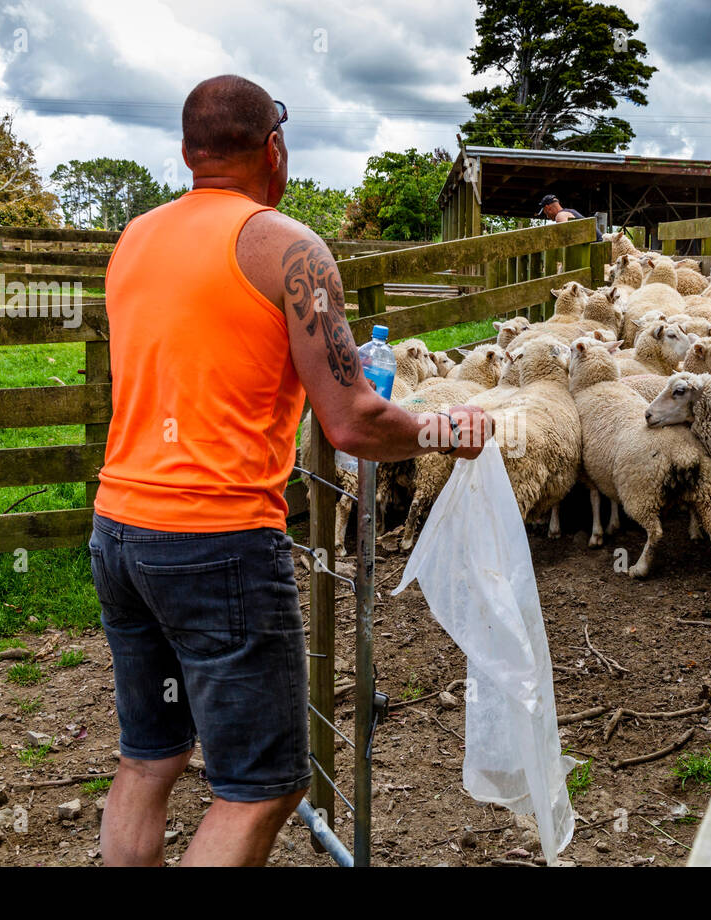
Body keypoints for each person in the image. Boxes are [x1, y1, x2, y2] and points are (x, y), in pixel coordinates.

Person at [90, 75, 493, 867]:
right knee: (261, 788)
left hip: (120, 528)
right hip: (219, 539)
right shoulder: (289, 249)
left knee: (150, 756)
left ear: (184, 152)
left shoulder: (133, 238)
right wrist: (443, 428)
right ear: (274, 148)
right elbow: (351, 421)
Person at [537, 193, 602, 241]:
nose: (547, 216)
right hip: (597, 244)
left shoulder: (560, 216)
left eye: (546, 213)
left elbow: (566, 238)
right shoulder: (571, 211)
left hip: (595, 247)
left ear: (548, 208)